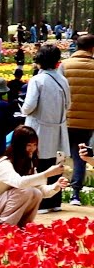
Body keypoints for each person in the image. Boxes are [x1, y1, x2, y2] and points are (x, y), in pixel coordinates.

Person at [0, 126, 68, 226]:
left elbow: (41, 190)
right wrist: (46, 174)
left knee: (36, 193)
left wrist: (56, 186)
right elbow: (19, 183)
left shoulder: (28, 164)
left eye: (35, 145)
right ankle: (4, 227)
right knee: (26, 191)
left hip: (2, 204)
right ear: (19, 146)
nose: (32, 149)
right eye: (29, 145)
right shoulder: (5, 164)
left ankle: (23, 226)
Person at [22, 43, 72, 212]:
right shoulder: (62, 80)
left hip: (39, 127)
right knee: (55, 163)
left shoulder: (37, 80)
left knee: (39, 163)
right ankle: (55, 202)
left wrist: (23, 109)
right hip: (58, 128)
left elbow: (29, 106)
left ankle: (42, 202)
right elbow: (68, 104)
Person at [60, 32, 94, 205]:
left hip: (66, 119)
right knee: (81, 155)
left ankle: (54, 192)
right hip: (88, 121)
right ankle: (75, 194)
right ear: (92, 48)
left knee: (59, 155)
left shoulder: (64, 65)